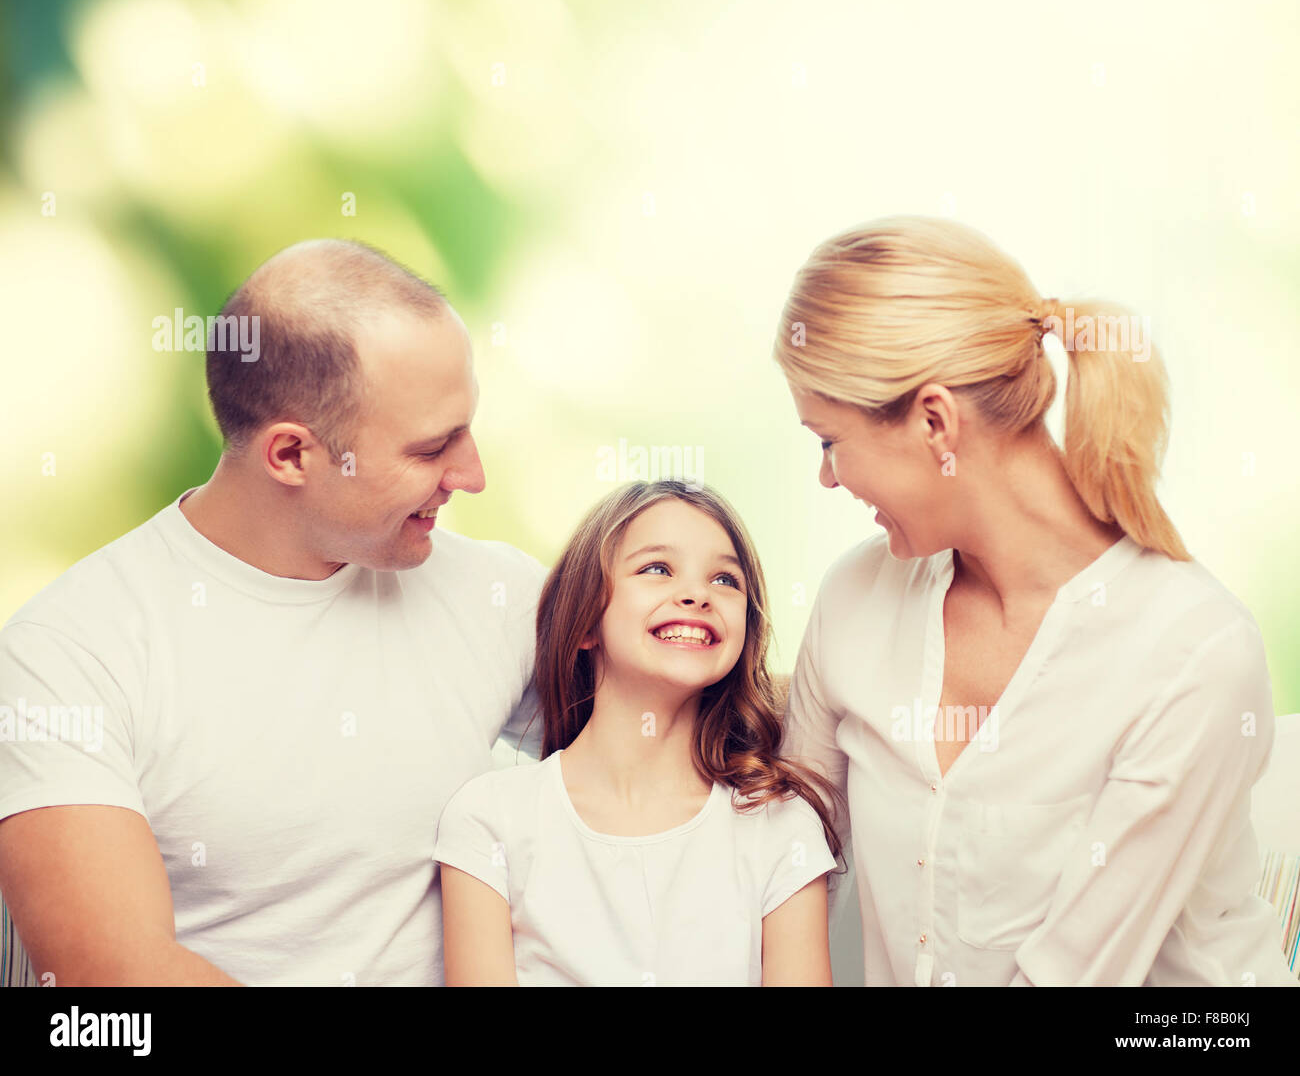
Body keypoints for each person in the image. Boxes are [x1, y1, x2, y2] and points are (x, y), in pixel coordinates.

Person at [0, 240, 545, 985]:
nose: (472, 475)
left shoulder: (493, 595)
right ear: (290, 455)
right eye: (432, 448)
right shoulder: (67, 654)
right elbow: (113, 977)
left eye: (468, 427)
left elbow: (710, 738)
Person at [774, 215, 1297, 986]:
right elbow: (787, 861)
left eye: (828, 440)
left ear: (933, 420)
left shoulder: (1193, 652)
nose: (826, 477)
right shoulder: (856, 598)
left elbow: (1071, 976)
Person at [434, 480, 846, 985]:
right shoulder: (489, 819)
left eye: (725, 579)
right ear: (585, 622)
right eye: (657, 569)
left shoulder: (780, 824)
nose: (697, 594)